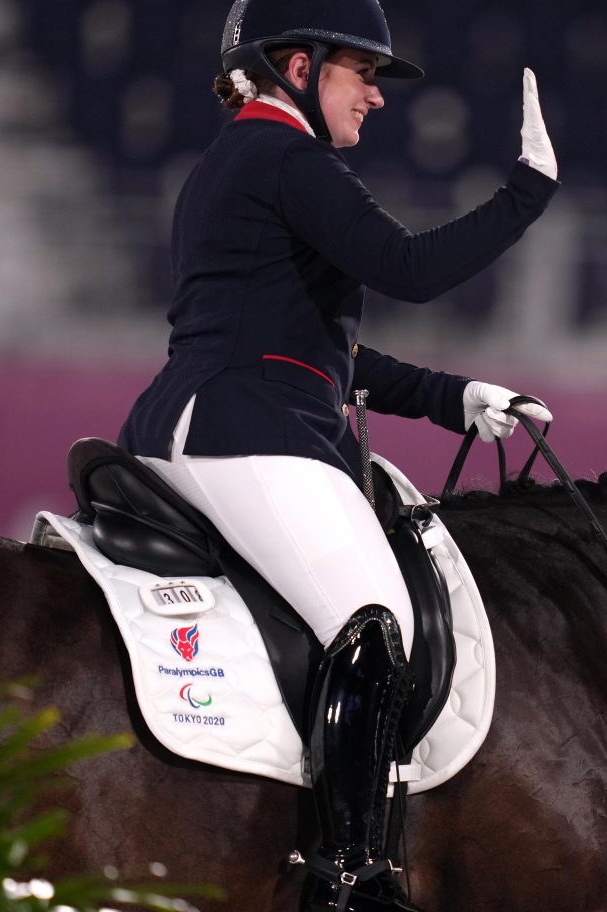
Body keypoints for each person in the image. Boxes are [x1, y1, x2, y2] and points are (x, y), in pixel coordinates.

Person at [116, 0, 557, 908]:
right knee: (374, 622)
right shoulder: (285, 155)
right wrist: (526, 194)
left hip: (203, 422)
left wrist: (452, 399)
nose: (379, 98)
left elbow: (319, 348)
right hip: (244, 435)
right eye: (364, 73)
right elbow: (412, 269)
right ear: (301, 66)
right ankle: (349, 879)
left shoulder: (242, 158)